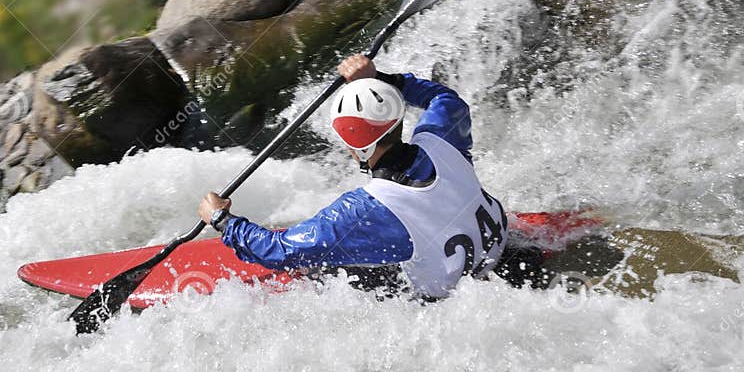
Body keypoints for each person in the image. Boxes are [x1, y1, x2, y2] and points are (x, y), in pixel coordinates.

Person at [197, 55, 510, 301]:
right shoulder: (441, 137)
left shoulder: (364, 211)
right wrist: (380, 80)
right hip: (505, 255)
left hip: (447, 304)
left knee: (322, 268)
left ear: (356, 148)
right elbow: (442, 98)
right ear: (398, 118)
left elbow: (281, 251)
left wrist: (223, 221)